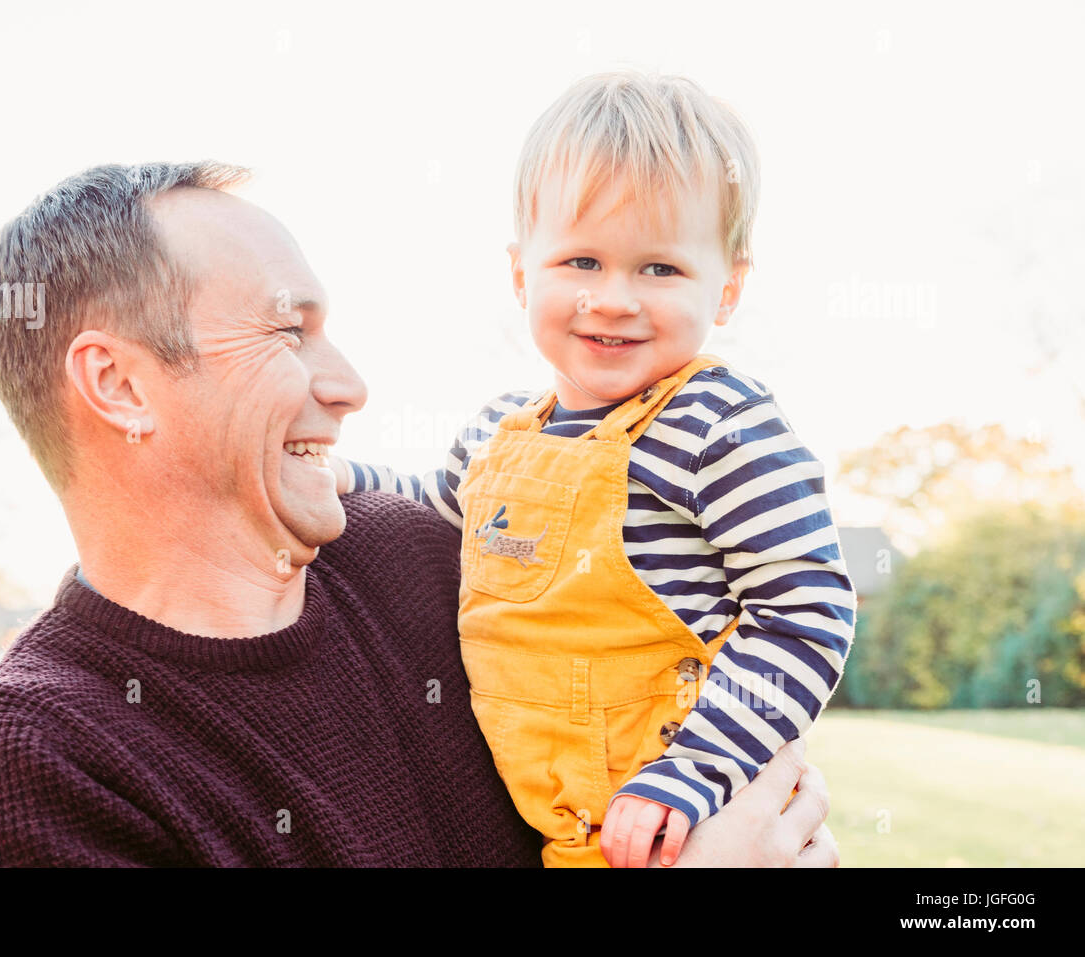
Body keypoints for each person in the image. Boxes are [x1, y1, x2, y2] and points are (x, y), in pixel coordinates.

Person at [0, 160, 839, 867]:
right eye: (289, 331)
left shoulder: (438, 563)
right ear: (119, 384)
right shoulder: (34, 756)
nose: (351, 385)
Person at [333, 72, 857, 868]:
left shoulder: (719, 422)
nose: (613, 299)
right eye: (581, 260)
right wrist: (340, 478)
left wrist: (693, 771)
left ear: (729, 289)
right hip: (562, 828)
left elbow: (804, 607)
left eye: (660, 269)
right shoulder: (495, 433)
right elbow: (435, 511)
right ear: (520, 273)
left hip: (686, 821)